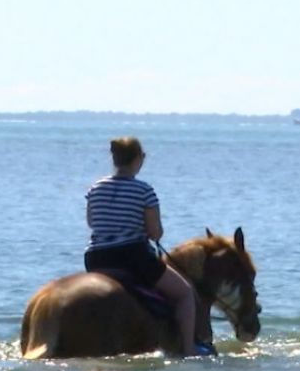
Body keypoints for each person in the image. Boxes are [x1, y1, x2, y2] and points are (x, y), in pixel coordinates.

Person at [84, 137, 209, 357]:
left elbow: (92, 222)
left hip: (96, 258)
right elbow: (155, 232)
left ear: (114, 159)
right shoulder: (144, 191)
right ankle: (189, 348)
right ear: (139, 159)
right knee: (185, 293)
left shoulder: (95, 188)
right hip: (133, 257)